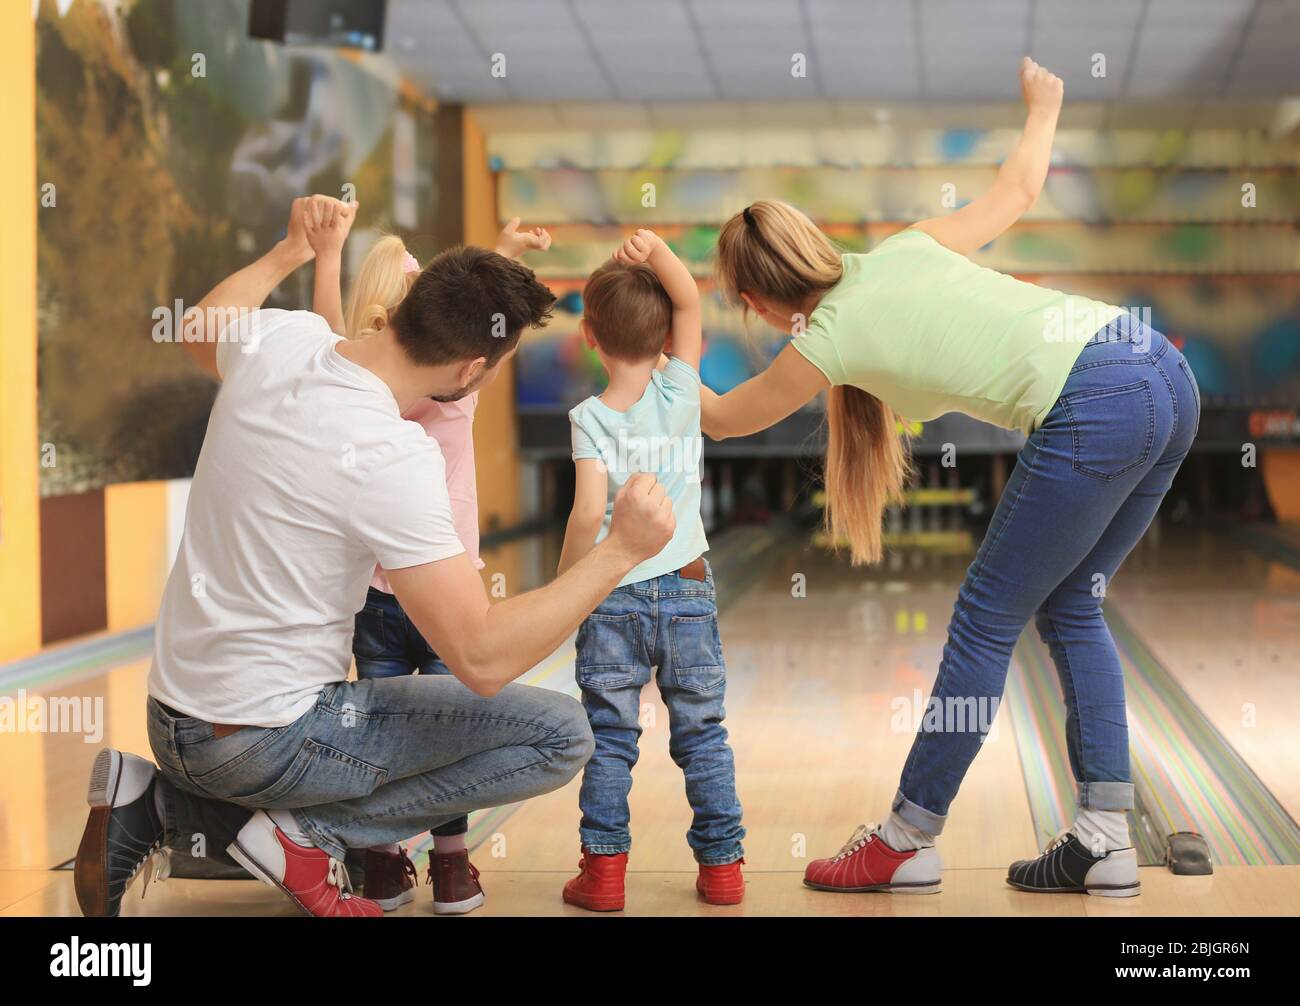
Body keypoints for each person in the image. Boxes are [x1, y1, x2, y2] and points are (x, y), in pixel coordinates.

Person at [73, 195, 675, 918]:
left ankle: (155, 803)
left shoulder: (283, 339)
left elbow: (198, 329)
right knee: (558, 734)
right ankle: (308, 837)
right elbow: (481, 659)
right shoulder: (393, 457)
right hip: (266, 739)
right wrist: (619, 551)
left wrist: (292, 249)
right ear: (471, 370)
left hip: (172, 716)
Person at [701, 59, 1199, 898]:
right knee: (1071, 603)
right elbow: (1018, 188)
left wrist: (665, 333)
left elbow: (721, 417)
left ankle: (907, 835)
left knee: (983, 617)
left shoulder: (821, 340)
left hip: (1097, 395)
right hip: (1163, 373)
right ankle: (1105, 838)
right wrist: (1045, 107)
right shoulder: (902, 249)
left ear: (754, 298)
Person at [309, 217, 551, 915]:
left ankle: (382, 867)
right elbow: (486, 326)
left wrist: (327, 257)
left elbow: (329, 334)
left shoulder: (354, 391)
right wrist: (503, 254)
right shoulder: (457, 390)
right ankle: (452, 869)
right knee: (448, 735)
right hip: (449, 602)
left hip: (376, 600)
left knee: (380, 735)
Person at [557, 229, 745, 911]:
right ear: (666, 337)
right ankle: (723, 870)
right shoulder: (682, 389)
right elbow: (690, 305)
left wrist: (564, 590)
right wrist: (656, 252)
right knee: (703, 734)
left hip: (612, 598)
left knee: (609, 739)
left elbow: (585, 517)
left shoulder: (586, 418)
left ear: (588, 335)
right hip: (690, 589)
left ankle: (603, 874)